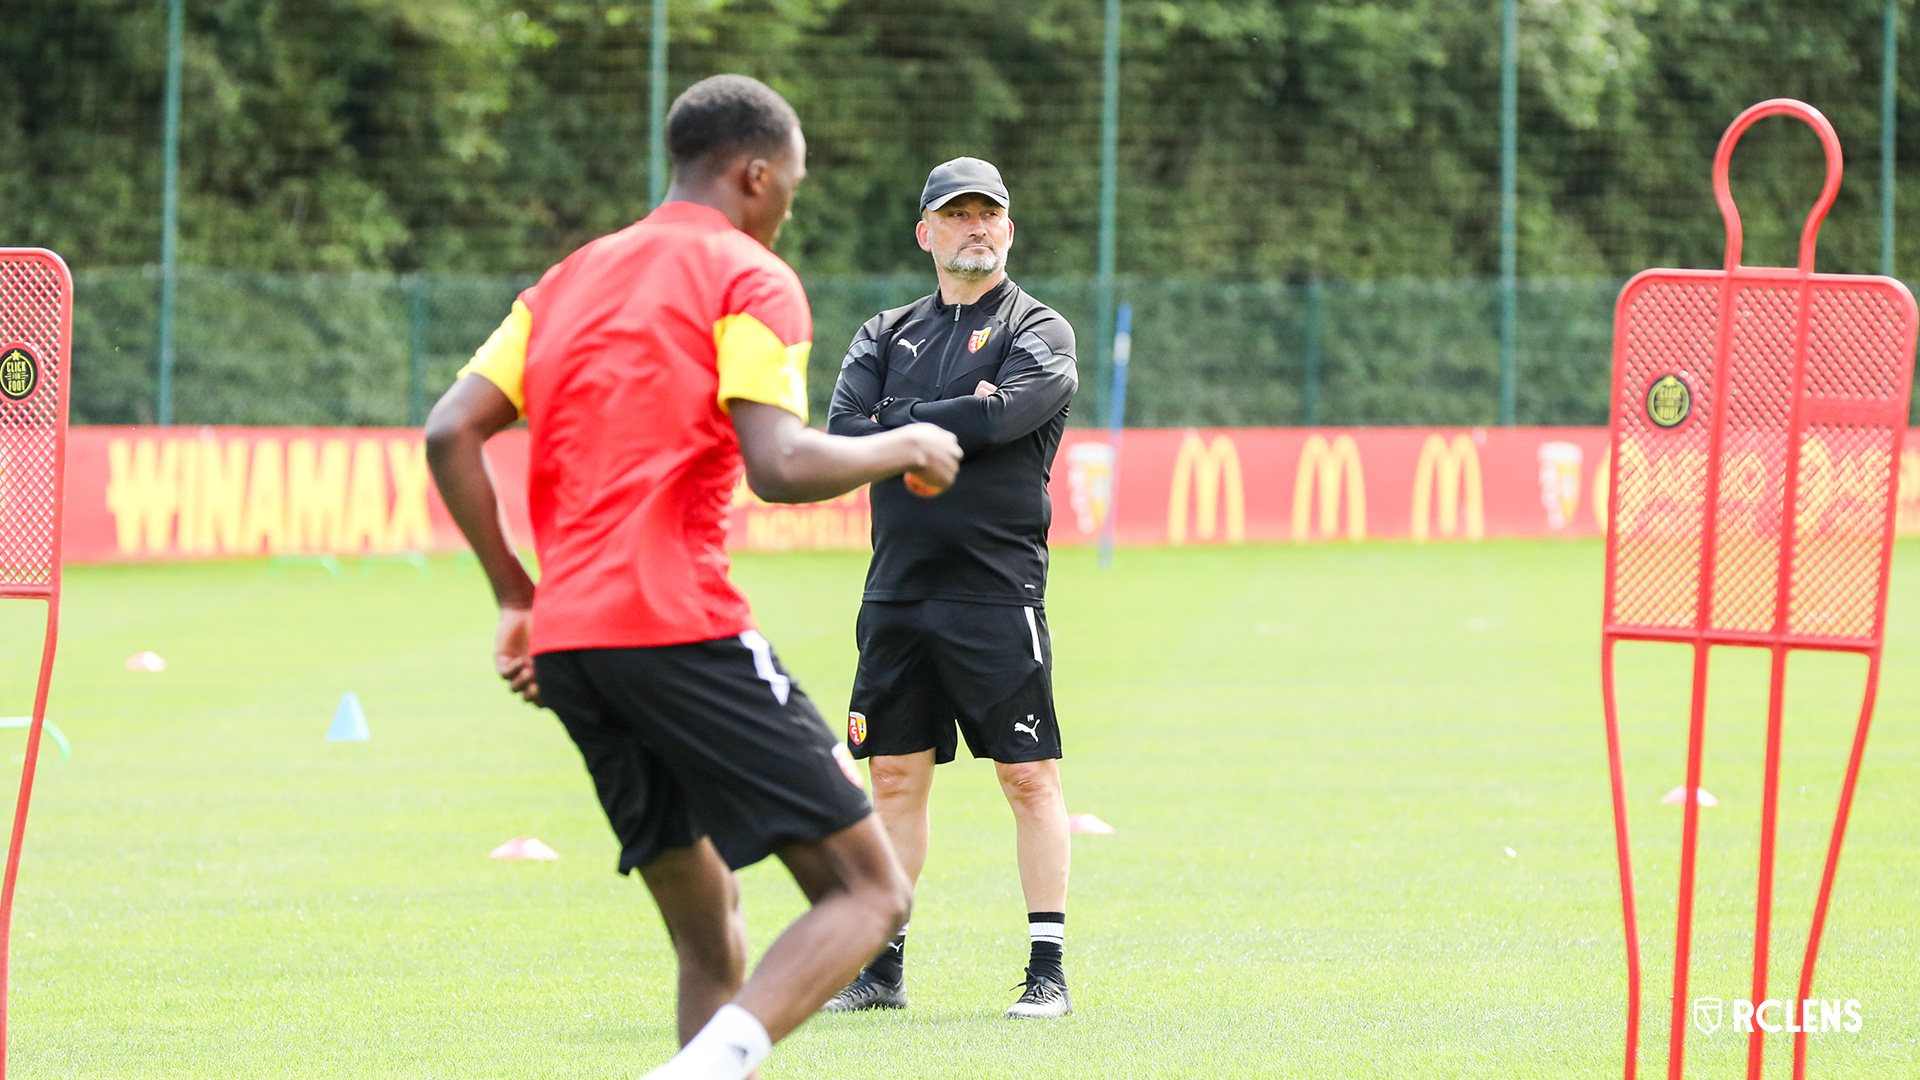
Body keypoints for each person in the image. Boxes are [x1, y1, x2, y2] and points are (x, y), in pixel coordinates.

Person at [423, 75, 962, 1080]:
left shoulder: (566, 280)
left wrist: (515, 596)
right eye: (791, 188)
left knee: (709, 924)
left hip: (572, 647)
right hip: (676, 624)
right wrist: (908, 443)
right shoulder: (748, 277)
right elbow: (782, 462)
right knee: (868, 893)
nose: (788, 210)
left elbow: (451, 430)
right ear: (757, 175)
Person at [822, 157, 1079, 1019]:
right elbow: (841, 430)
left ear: (1009, 229)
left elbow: (1008, 414)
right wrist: (946, 411)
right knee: (892, 775)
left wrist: (900, 418)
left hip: (996, 592)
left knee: (1028, 777)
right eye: (956, 214)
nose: (975, 227)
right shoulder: (883, 331)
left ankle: (1047, 971)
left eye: (989, 214)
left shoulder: (1038, 327)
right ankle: (881, 970)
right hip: (896, 592)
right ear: (925, 232)